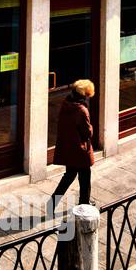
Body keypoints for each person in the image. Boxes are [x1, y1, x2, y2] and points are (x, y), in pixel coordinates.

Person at [51, 79, 96, 210]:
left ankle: (52, 204)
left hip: (68, 147)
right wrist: (91, 128)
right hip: (80, 149)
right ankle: (84, 203)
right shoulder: (81, 110)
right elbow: (87, 133)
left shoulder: (66, 104)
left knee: (69, 175)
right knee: (85, 176)